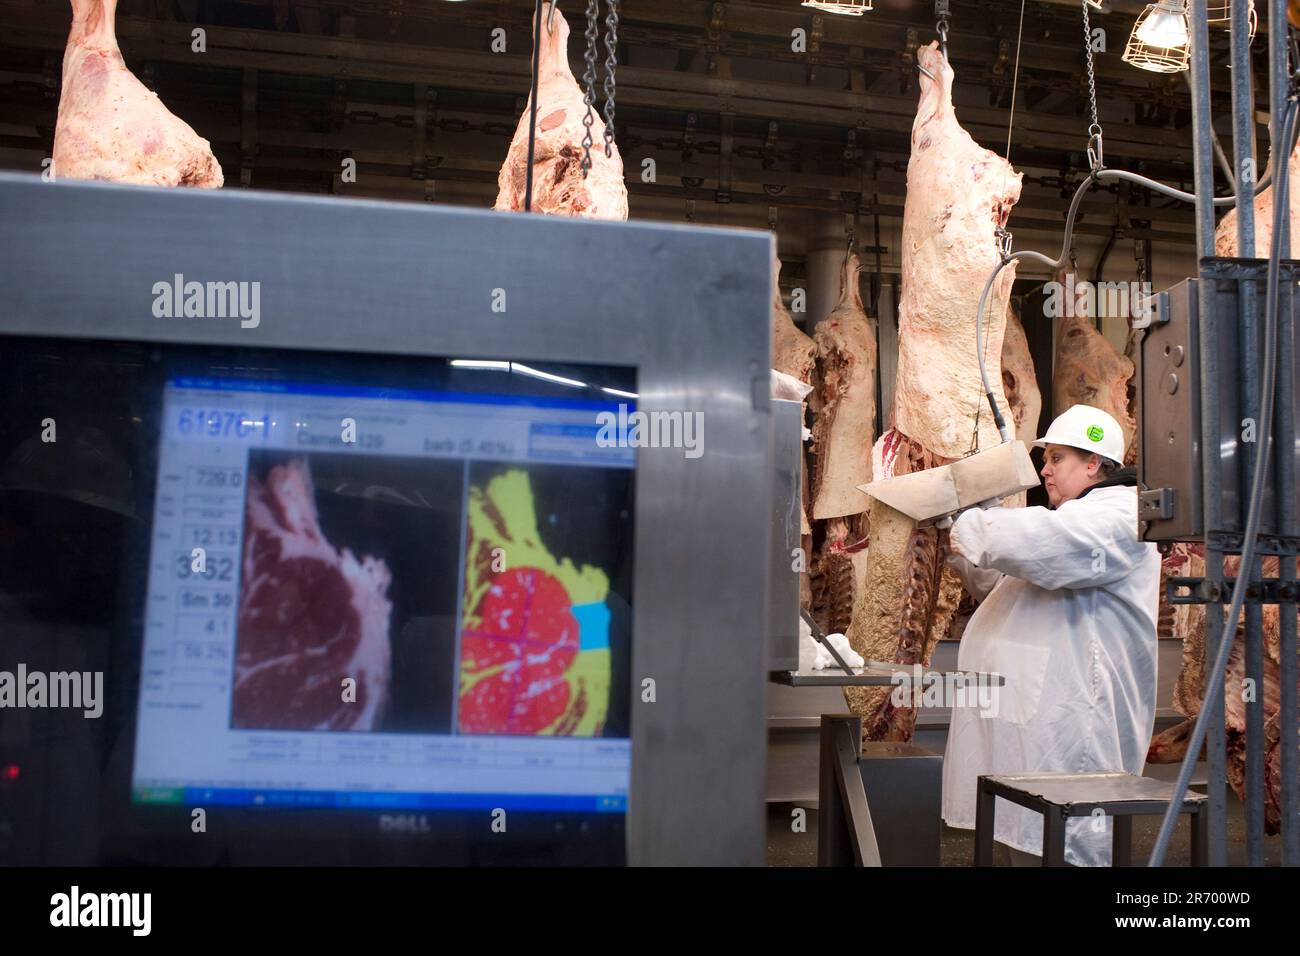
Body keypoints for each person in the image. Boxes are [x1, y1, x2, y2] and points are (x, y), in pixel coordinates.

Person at [940, 404, 1161, 866]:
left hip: (1075, 728)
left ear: (1093, 463)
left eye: (1056, 458)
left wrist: (970, 524)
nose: (1045, 471)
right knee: (1022, 841)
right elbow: (1000, 586)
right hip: (1030, 732)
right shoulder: (1069, 520)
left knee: (1062, 850)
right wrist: (953, 537)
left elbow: (1053, 547)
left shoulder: (1121, 515)